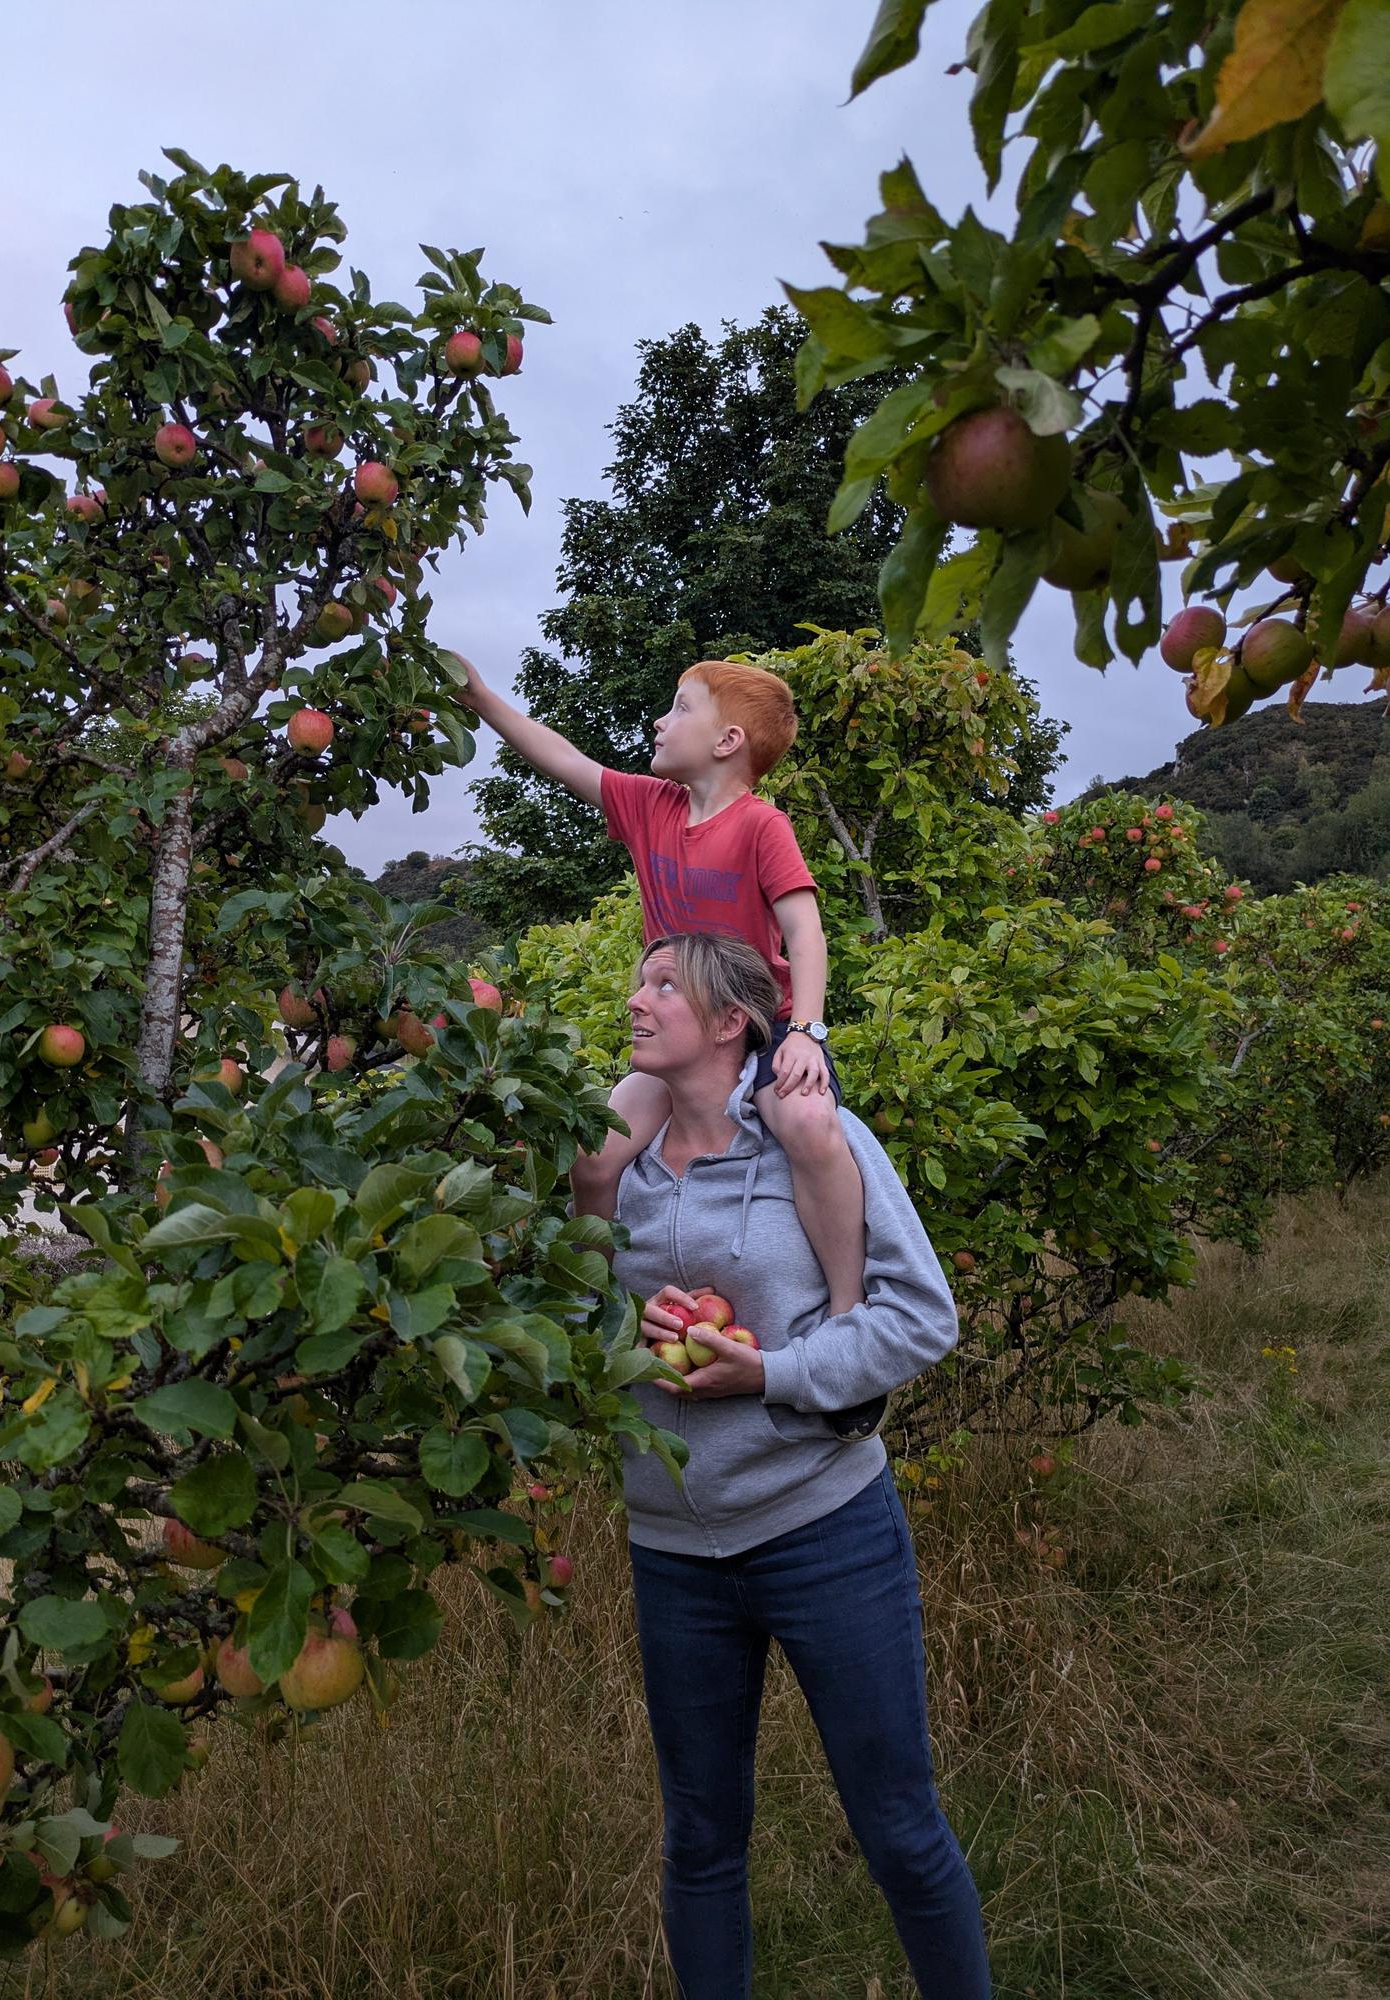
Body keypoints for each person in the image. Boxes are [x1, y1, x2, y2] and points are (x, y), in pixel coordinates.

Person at [612, 930, 992, 2000]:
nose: (635, 1001)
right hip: (673, 1548)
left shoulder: (811, 1135)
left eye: (662, 986)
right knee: (699, 1838)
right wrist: (626, 1332)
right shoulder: (614, 1161)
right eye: (637, 982)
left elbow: (920, 1316)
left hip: (823, 1530)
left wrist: (769, 1373)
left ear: (729, 1022)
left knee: (897, 1825)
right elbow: (560, 1314)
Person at [453, 653, 866, 1319]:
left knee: (810, 1125)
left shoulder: (761, 825)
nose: (659, 720)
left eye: (680, 708)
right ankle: (591, 1307)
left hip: (761, 1027)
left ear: (727, 741)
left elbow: (805, 932)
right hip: (681, 1031)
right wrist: (479, 697)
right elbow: (562, 759)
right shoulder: (651, 806)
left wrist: (807, 1034)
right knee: (594, 1158)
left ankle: (848, 1306)